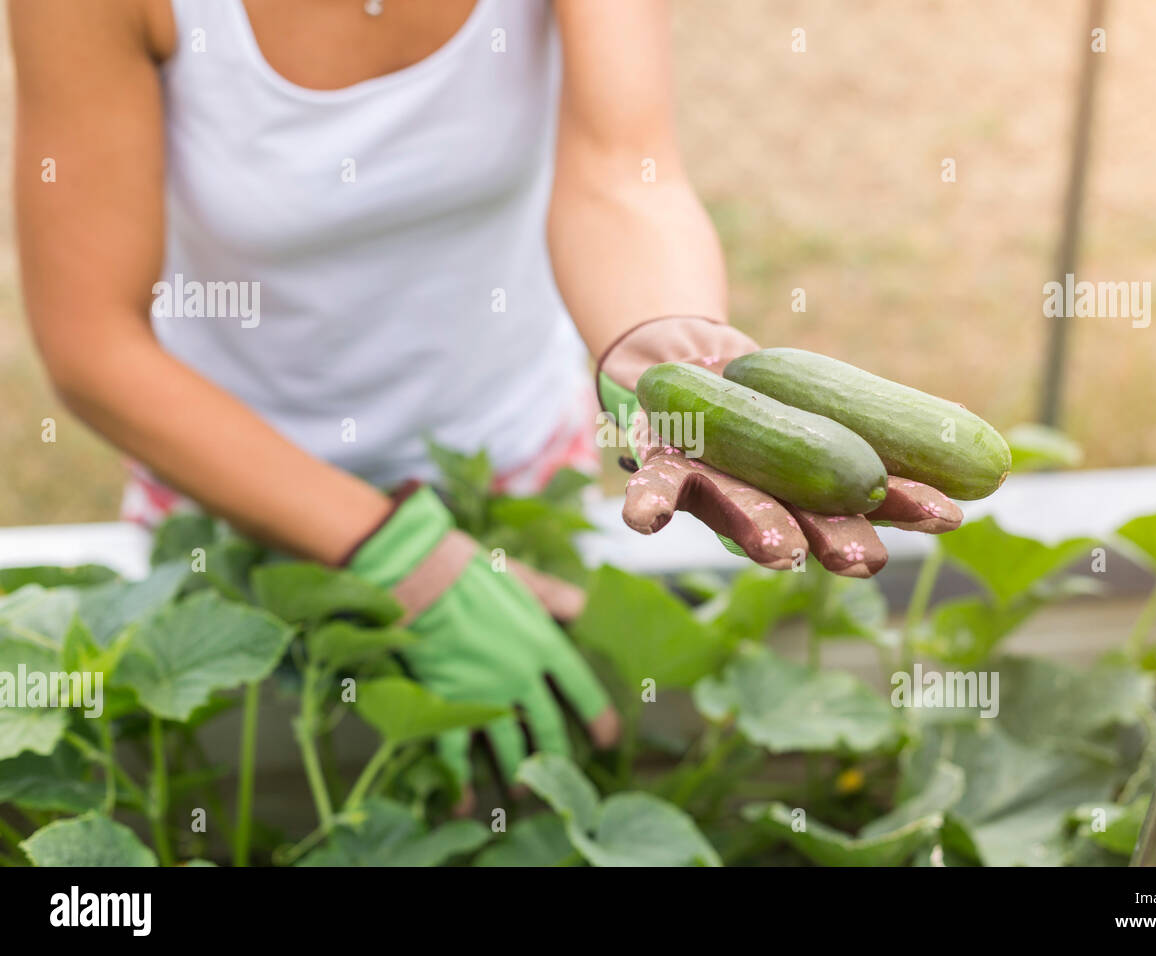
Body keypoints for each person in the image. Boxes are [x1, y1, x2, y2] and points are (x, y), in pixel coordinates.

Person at [9, 0, 961, 808]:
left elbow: (626, 174)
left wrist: (660, 336)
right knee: (242, 798)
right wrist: (391, 550)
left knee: (502, 794)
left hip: (507, 466)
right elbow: (93, 341)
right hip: (234, 489)